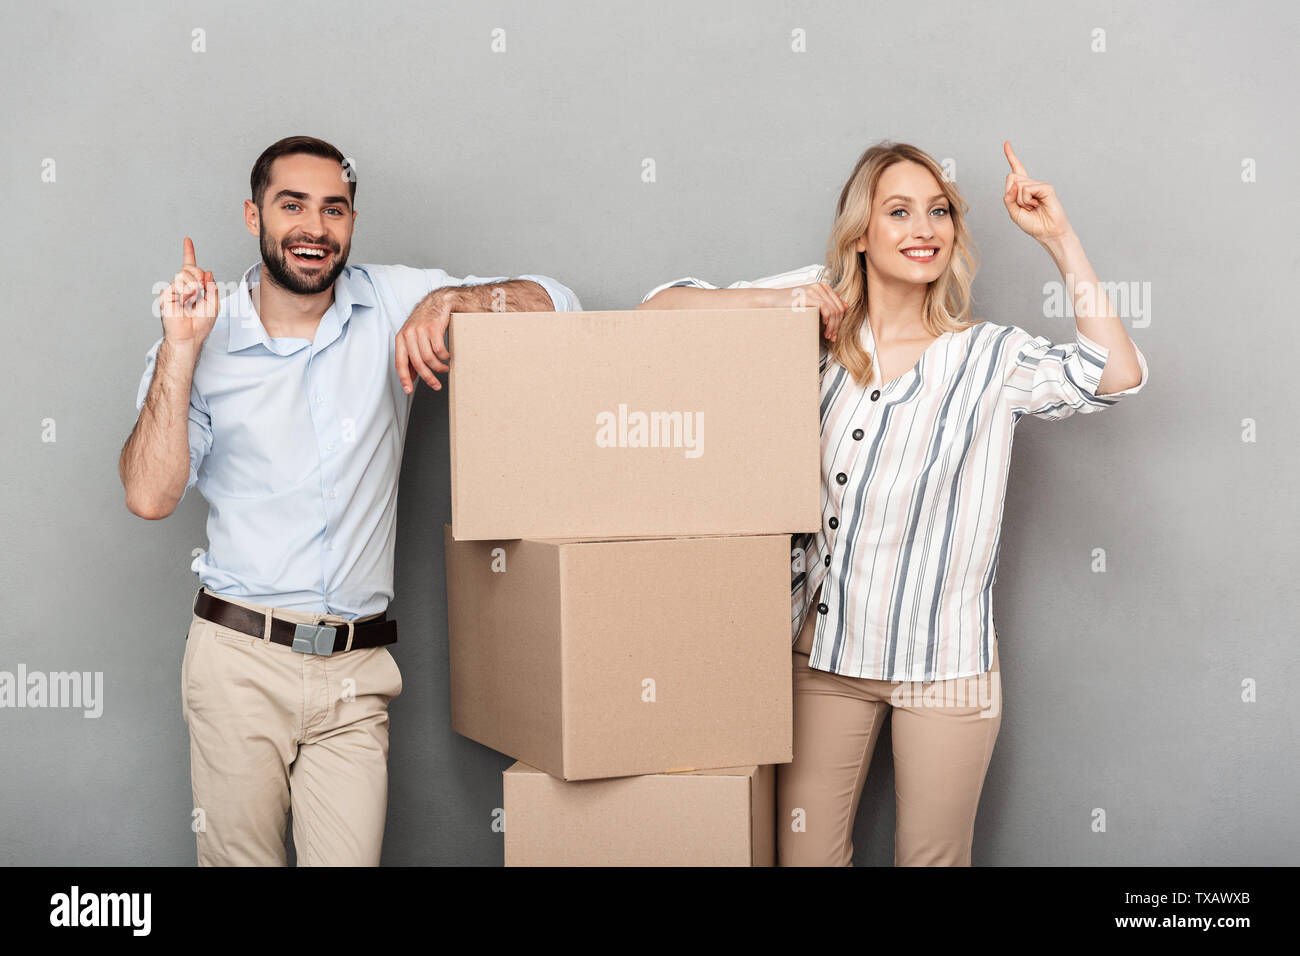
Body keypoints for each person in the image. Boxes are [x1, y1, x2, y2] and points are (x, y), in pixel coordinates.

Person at [639, 140, 1148, 866]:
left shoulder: (988, 356)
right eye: (900, 211)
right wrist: (772, 300)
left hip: (944, 668)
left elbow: (1116, 373)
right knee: (805, 858)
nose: (924, 229)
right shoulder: (813, 320)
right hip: (823, 658)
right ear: (861, 234)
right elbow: (657, 310)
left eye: (938, 212)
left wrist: (1059, 238)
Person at [118, 135, 580, 866]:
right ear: (253, 216)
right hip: (239, 664)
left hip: (356, 678)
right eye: (292, 205)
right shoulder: (202, 336)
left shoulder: (394, 298)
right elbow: (149, 494)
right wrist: (178, 350)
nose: (315, 228)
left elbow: (559, 303)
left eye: (334, 209)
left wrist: (451, 299)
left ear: (352, 222)